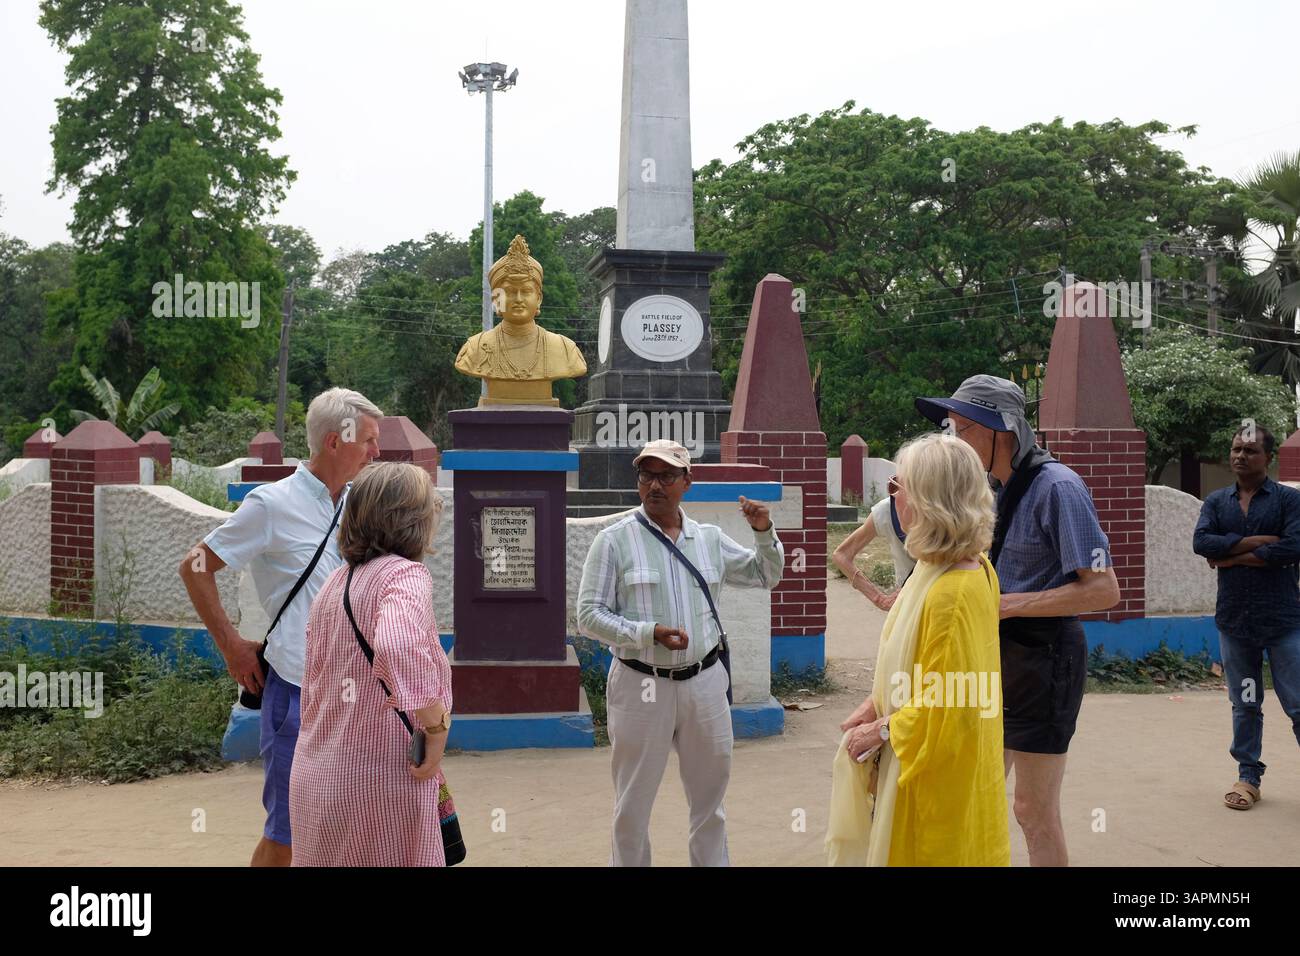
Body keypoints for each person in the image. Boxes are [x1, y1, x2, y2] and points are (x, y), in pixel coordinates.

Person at [915, 375, 1119, 867]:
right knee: (975, 791)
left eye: (963, 429)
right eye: (951, 428)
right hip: (994, 657)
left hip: (1046, 659)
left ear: (1002, 430)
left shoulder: (1060, 488)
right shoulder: (992, 486)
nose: (953, 441)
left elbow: (1103, 590)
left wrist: (1003, 604)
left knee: (1031, 809)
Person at [179, 387, 382, 867]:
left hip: (358, 692)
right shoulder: (272, 505)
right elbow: (194, 566)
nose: (377, 452)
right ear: (335, 442)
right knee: (287, 834)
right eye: (369, 441)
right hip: (296, 691)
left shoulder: (363, 504)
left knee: (348, 826)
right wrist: (231, 646)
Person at [576, 439, 784, 866]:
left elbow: (766, 575)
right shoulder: (613, 541)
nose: (655, 485)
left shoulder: (709, 539)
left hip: (705, 682)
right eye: (647, 475)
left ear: (687, 482)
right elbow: (588, 615)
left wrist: (764, 532)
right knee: (631, 807)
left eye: (667, 476)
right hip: (640, 684)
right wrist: (646, 632)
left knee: (710, 804)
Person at [833, 433, 1009, 866]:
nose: (894, 497)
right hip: (939, 769)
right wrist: (877, 702)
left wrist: (882, 730)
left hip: (936, 786)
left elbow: (953, 706)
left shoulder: (953, 590)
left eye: (899, 486)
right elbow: (929, 672)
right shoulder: (951, 568)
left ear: (930, 500)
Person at [289, 462, 453, 866]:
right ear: (412, 519)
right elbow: (397, 643)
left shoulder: (335, 583)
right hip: (378, 784)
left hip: (316, 776)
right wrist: (434, 725)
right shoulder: (404, 575)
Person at [1192, 424, 1300, 811]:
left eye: (1250, 450)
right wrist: (1258, 543)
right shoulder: (1217, 502)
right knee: (1246, 703)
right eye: (1236, 449)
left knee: (1298, 704)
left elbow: (1292, 547)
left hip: (1283, 621)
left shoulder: (1288, 501)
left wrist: (1229, 556)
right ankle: (1248, 776)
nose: (1240, 456)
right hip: (1236, 623)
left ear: (1267, 457)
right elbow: (1201, 542)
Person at [832, 494, 916, 611]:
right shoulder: (888, 510)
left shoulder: (947, 505)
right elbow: (841, 555)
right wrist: (879, 599)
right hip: (908, 606)